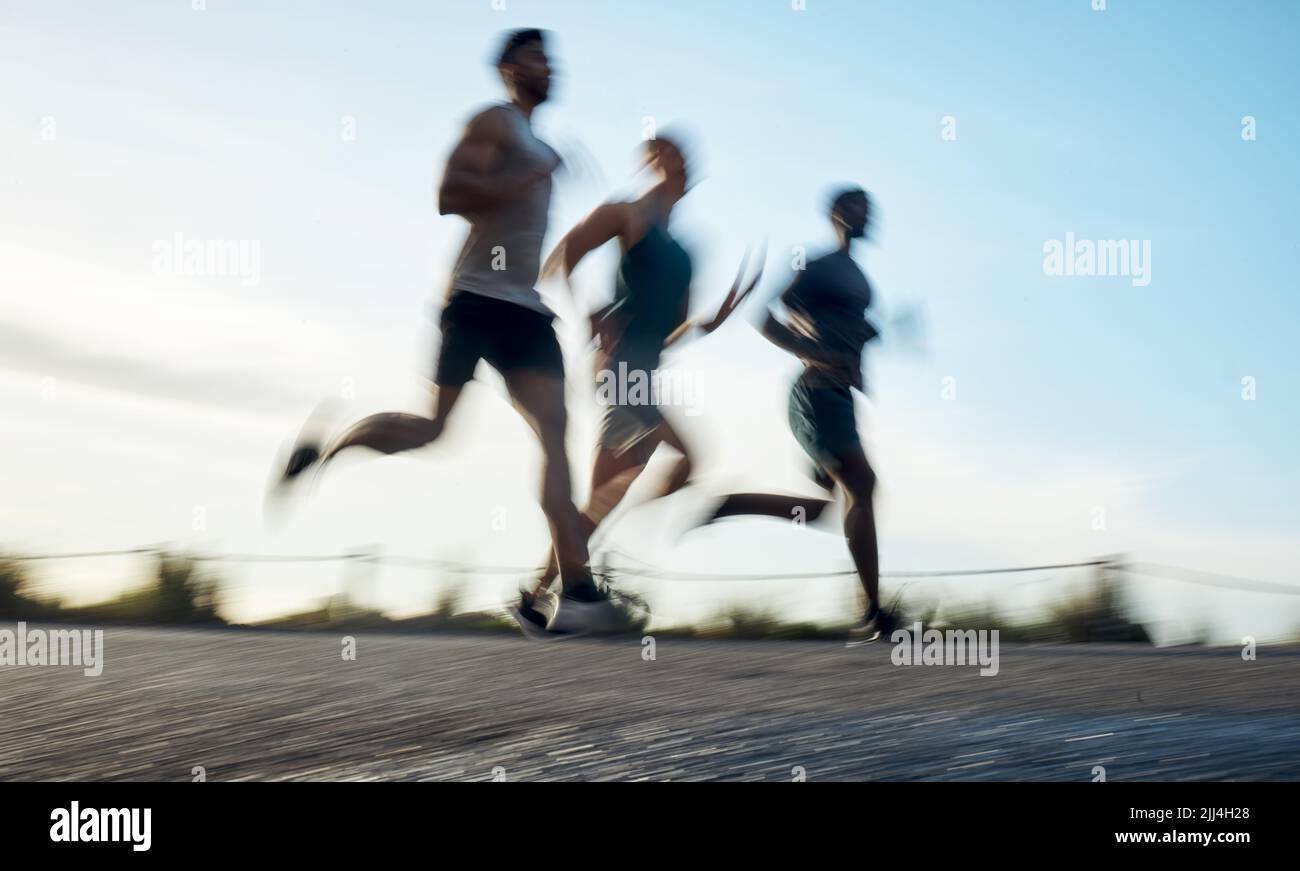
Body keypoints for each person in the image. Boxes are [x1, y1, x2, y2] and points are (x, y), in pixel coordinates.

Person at [275, 29, 621, 633]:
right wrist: (528, 179)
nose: (549, 67)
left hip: (525, 309)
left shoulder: (539, 143)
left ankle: (578, 591)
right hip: (473, 300)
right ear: (508, 69)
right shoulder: (493, 122)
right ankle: (329, 448)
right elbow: (449, 195)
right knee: (434, 430)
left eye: (551, 58)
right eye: (536, 57)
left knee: (555, 436)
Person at [510, 133, 761, 636]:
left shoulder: (684, 253)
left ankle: (537, 597)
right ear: (650, 161)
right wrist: (590, 309)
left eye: (687, 157)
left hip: (645, 371)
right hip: (620, 369)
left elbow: (673, 330)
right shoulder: (628, 214)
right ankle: (571, 590)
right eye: (669, 152)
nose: (682, 162)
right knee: (679, 461)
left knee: (608, 495)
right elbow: (561, 257)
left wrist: (710, 322)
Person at [702, 187, 894, 643]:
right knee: (864, 487)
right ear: (836, 214)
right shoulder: (818, 265)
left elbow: (841, 334)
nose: (866, 215)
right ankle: (872, 611)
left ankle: (735, 502)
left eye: (870, 208)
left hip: (840, 398)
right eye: (857, 207)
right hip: (815, 394)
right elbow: (765, 317)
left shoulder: (859, 277)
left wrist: (860, 345)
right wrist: (816, 353)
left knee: (825, 510)